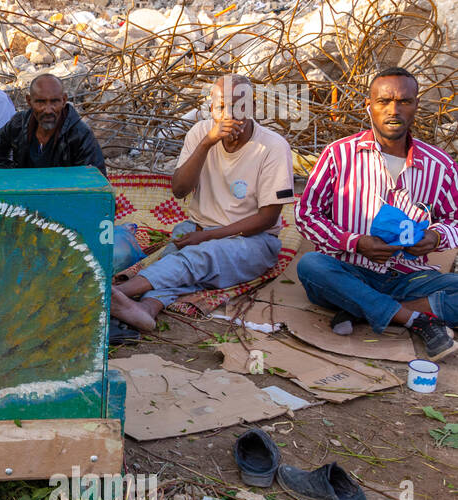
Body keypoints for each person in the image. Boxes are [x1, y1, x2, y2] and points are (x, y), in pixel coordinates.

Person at [296, 67, 458, 360]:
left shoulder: (441, 165)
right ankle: (416, 319)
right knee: (311, 266)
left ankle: (364, 308)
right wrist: (355, 243)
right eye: (384, 101)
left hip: (410, 278)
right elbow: (306, 214)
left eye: (404, 101)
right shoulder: (338, 154)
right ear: (368, 105)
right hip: (348, 270)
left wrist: (435, 237)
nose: (393, 110)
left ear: (416, 105)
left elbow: (454, 220)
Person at [111, 73, 294, 333]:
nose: (230, 114)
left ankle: (115, 293)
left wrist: (209, 238)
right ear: (211, 109)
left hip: (253, 242)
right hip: (198, 229)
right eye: (221, 107)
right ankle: (146, 310)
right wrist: (207, 143)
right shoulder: (199, 133)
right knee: (180, 258)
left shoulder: (273, 147)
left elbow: (268, 218)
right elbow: (179, 189)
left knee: (197, 256)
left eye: (239, 106)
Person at [0, 73, 106, 174]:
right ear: (29, 101)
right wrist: (13, 175)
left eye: (54, 102)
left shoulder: (80, 135)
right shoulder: (20, 123)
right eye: (41, 102)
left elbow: (94, 181)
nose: (48, 110)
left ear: (64, 100)